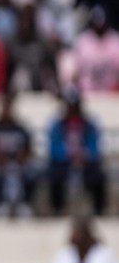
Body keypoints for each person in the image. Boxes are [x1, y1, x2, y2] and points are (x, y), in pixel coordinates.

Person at [47, 87, 108, 216]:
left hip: (86, 161)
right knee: (54, 174)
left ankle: (99, 210)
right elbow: (54, 145)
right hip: (63, 161)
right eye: (70, 105)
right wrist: (68, 154)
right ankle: (57, 209)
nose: (73, 109)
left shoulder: (89, 124)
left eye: (75, 105)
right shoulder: (57, 124)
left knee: (97, 175)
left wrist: (85, 154)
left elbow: (94, 144)